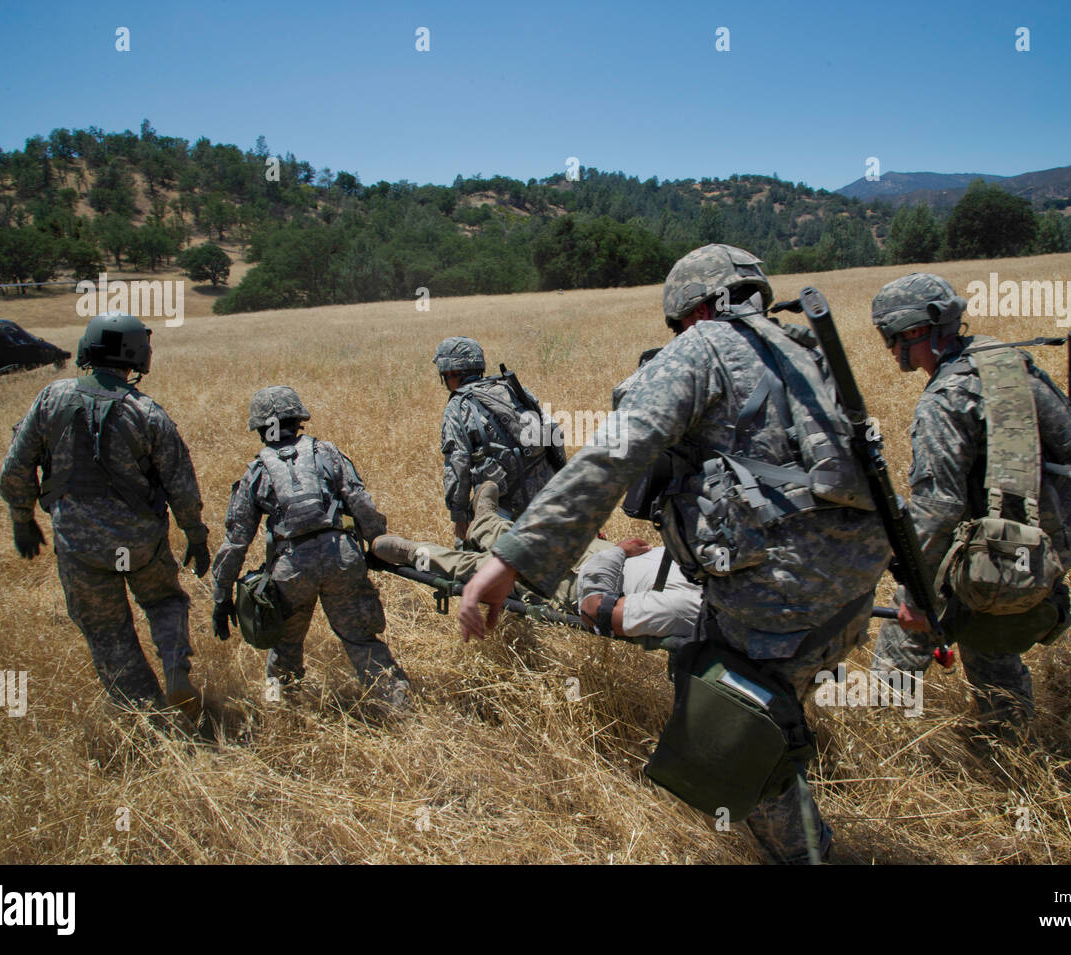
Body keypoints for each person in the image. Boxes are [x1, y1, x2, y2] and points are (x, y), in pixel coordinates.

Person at [458, 244, 891, 864]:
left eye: (678, 325)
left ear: (696, 311)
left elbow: (612, 455)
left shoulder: (704, 346)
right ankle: (787, 763)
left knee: (731, 732)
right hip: (850, 594)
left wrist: (510, 560)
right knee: (769, 706)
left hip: (772, 604)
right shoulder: (807, 351)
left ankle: (807, 855)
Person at [868, 273, 1071, 737]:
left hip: (1004, 547)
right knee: (990, 633)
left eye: (890, 336)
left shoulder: (943, 400)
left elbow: (938, 508)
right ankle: (1011, 740)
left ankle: (879, 736)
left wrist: (917, 596)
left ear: (916, 331)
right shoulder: (1005, 359)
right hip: (1057, 537)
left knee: (905, 637)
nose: (889, 349)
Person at [0, 311, 209, 720]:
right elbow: (182, 484)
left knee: (107, 631)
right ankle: (175, 668)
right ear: (138, 355)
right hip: (141, 543)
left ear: (87, 349)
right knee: (165, 601)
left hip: (80, 548)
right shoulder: (148, 413)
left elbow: (17, 467)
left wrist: (21, 518)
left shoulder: (51, 399)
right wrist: (196, 535)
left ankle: (146, 718)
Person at [209, 386, 409, 708]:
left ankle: (278, 707)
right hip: (342, 560)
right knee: (361, 639)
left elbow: (236, 541)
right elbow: (361, 503)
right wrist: (376, 544)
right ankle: (401, 705)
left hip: (291, 572)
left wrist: (221, 597)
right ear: (298, 420)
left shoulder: (256, 471)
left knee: (283, 648)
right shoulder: (327, 453)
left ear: (260, 428)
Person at [370, 482, 702, 639]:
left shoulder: (690, 607)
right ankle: (485, 523)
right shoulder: (718, 574)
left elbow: (596, 610)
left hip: (577, 582)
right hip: (605, 556)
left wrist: (619, 553)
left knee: (483, 570)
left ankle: (414, 553)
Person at [434, 336, 565, 542]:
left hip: (505, 508)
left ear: (450, 373)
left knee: (469, 551)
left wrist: (459, 517)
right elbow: (552, 430)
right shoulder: (512, 388)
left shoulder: (457, 407)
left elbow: (457, 465)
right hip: (549, 494)